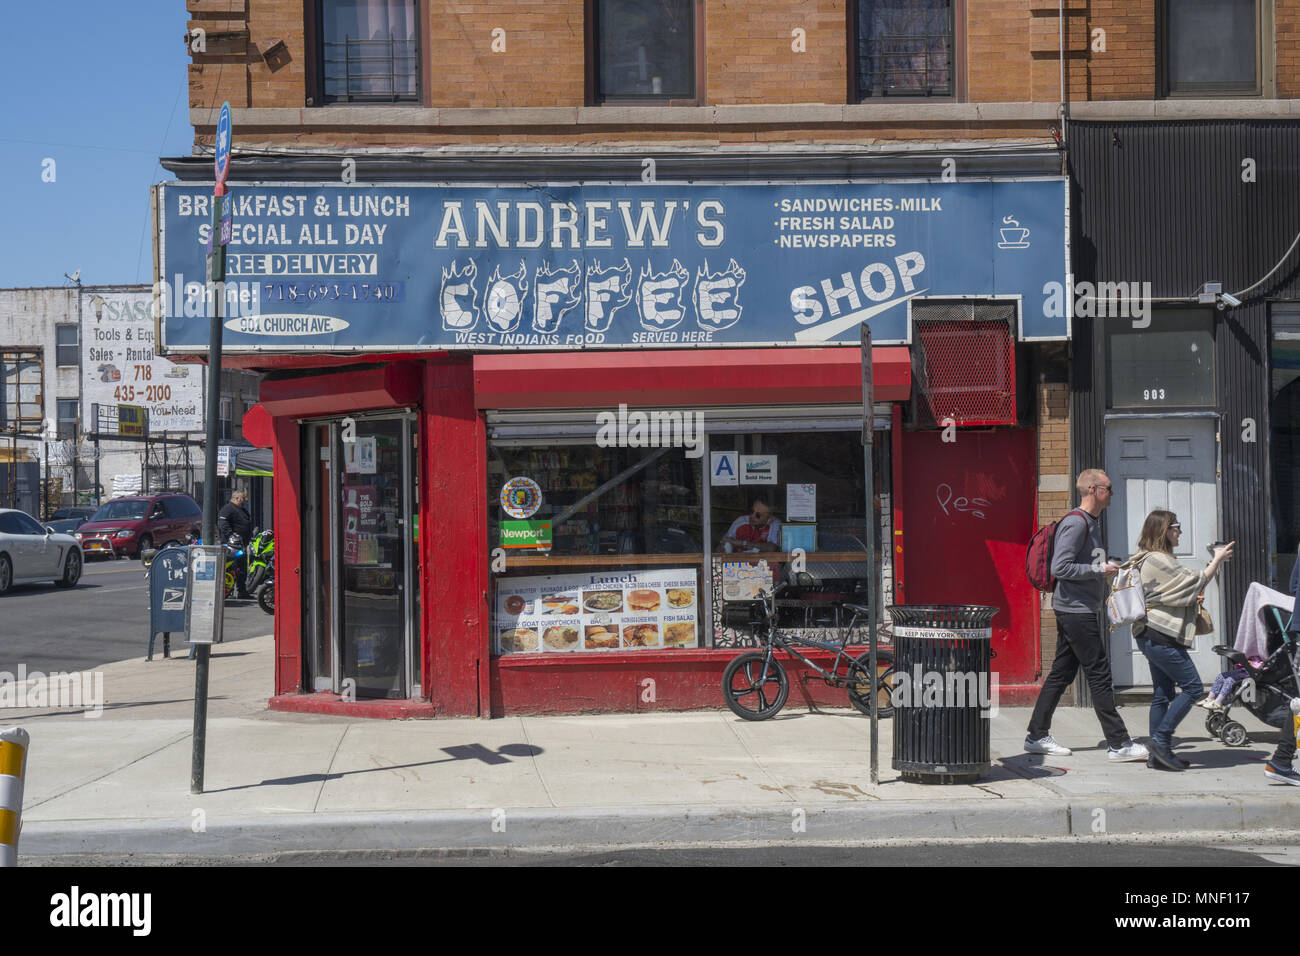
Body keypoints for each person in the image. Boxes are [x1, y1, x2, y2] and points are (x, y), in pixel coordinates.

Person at [1025, 468, 1150, 762]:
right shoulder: (1076, 523)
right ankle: (1119, 743)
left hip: (1078, 608)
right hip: (1075, 610)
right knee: (1099, 673)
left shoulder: (1091, 523)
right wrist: (1098, 569)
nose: (1112, 492)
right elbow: (1060, 567)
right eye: (1109, 487)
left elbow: (1078, 565)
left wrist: (1105, 568)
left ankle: (1036, 735)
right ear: (1094, 490)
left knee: (1061, 673)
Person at [1130, 511, 1234, 771]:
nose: (1180, 532)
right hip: (1160, 635)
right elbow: (1196, 580)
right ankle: (1161, 740)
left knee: (1162, 694)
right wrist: (1217, 559)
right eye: (1176, 527)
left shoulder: (1148, 558)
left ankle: (1158, 756)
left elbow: (1172, 592)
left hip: (1152, 634)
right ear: (1164, 530)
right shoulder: (1158, 559)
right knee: (1193, 688)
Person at [217, 489, 253, 598]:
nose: (245, 500)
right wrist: (231, 535)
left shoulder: (243, 510)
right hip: (231, 545)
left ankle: (242, 591)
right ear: (236, 498)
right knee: (233, 567)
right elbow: (222, 523)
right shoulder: (227, 509)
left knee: (242, 568)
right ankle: (228, 590)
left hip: (242, 544)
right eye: (243, 498)